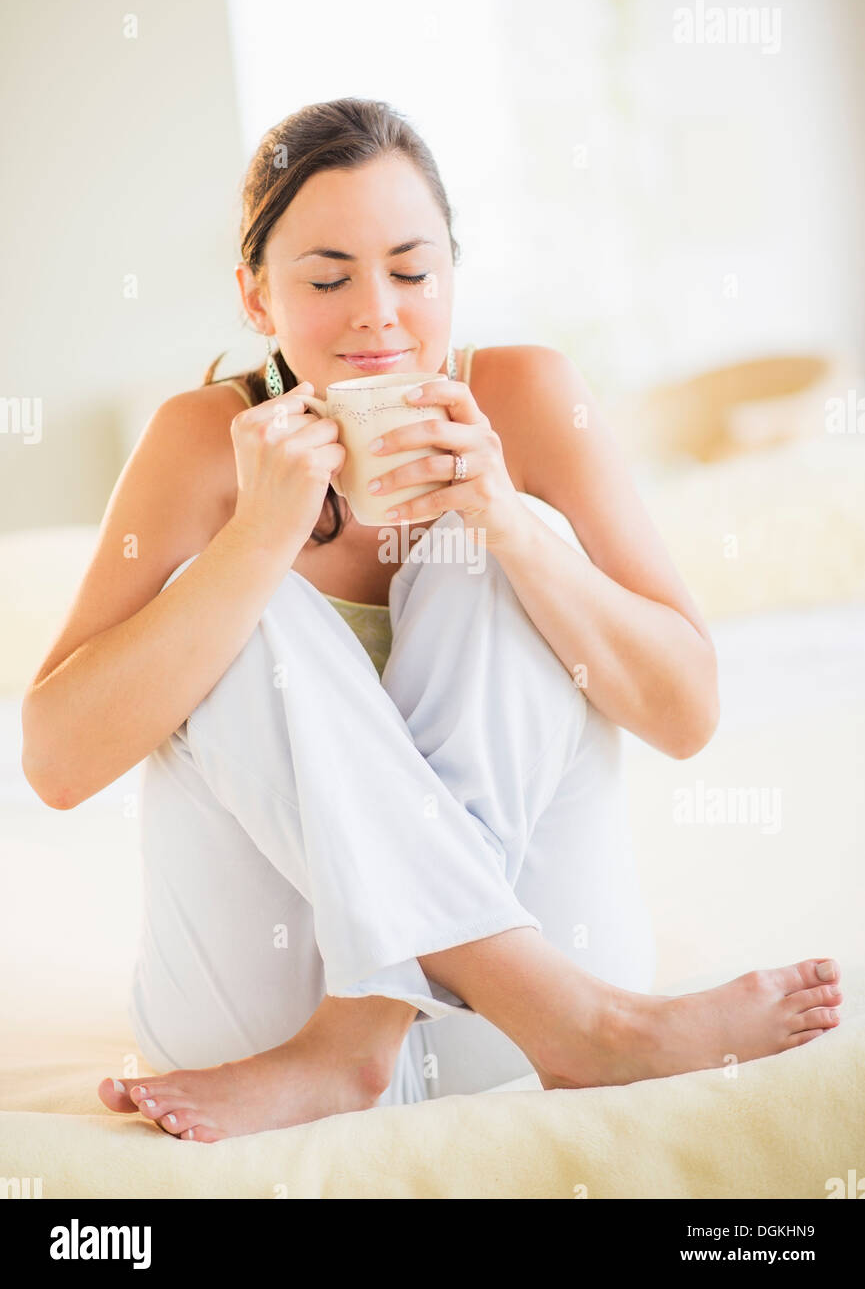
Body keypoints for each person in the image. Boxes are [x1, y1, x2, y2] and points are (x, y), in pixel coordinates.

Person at [22, 97, 842, 1144]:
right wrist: (256, 537)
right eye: (326, 278)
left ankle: (367, 1033)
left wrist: (505, 518)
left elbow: (685, 713)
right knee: (237, 597)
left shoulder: (529, 395)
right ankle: (567, 1028)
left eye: (412, 272)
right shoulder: (199, 442)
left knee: (492, 552)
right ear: (256, 297)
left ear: (453, 271)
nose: (377, 313)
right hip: (253, 1022)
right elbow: (55, 761)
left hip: (497, 1023)